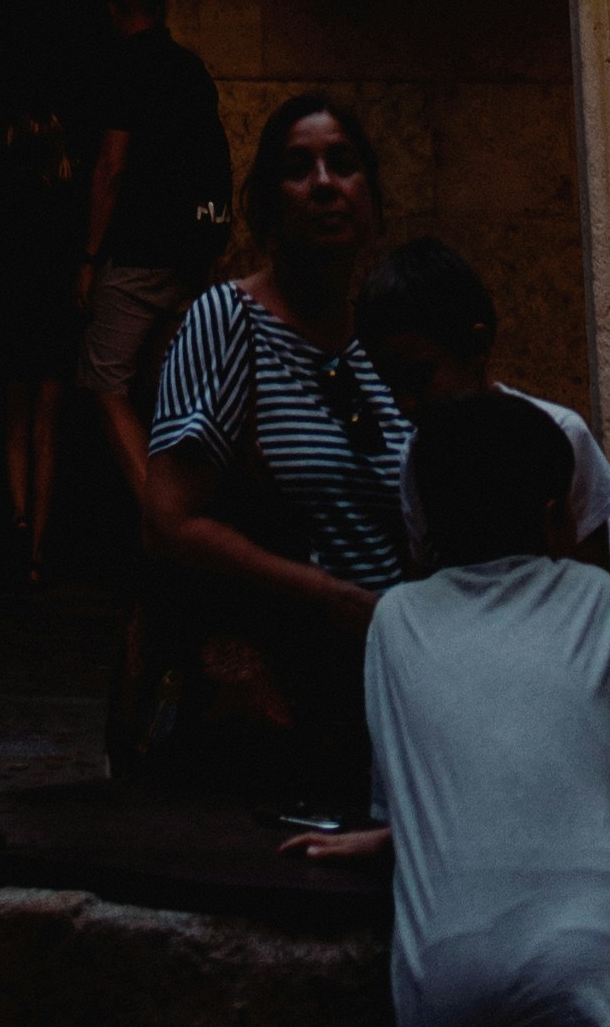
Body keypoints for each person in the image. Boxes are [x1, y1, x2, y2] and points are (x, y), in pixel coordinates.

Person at [302, 389, 610, 1027]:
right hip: (598, 947)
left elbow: (416, 805)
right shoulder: (598, 597)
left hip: (449, 969)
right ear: (554, 517)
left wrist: (379, 840)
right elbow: (582, 756)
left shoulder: (393, 621)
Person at [145, 88, 413, 782]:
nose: (324, 183)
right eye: (298, 167)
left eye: (342, 162)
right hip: (277, 701)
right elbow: (171, 520)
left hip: (393, 699)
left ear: (373, 198)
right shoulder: (227, 321)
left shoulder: (386, 346)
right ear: (268, 202)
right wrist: (331, 594)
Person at [357, 234, 610, 775]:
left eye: (418, 377)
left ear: (477, 347)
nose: (405, 403)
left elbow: (600, 604)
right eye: (391, 385)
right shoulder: (418, 465)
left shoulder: (558, 437)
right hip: (546, 697)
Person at [78, 0, 232, 506]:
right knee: (170, 394)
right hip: (188, 259)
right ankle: (188, 508)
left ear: (115, 13)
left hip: (138, 253)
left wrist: (90, 256)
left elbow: (111, 169)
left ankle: (165, 520)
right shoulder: (191, 68)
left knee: (104, 381)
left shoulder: (124, 65)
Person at [0, 57, 88, 584]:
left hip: (14, 304)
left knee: (15, 422)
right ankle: (38, 549)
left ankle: (18, 517)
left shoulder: (2, 174)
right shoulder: (68, 183)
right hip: (55, 308)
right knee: (48, 428)